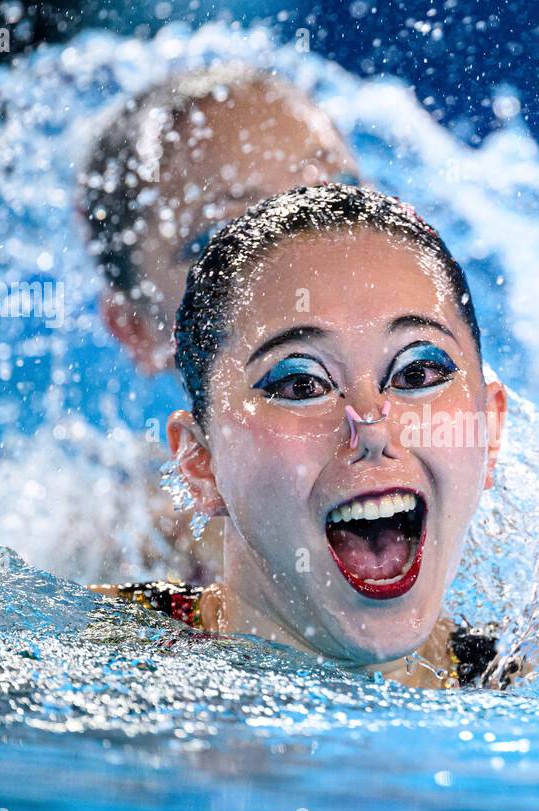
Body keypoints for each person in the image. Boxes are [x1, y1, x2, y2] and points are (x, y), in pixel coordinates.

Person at [96, 183, 516, 690]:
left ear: (489, 429)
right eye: (301, 385)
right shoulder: (88, 666)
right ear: (200, 463)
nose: (371, 426)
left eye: (418, 373)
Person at [78, 64, 362, 580]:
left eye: (334, 197)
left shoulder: (479, 468)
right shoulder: (147, 567)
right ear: (139, 330)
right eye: (224, 237)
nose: (305, 252)